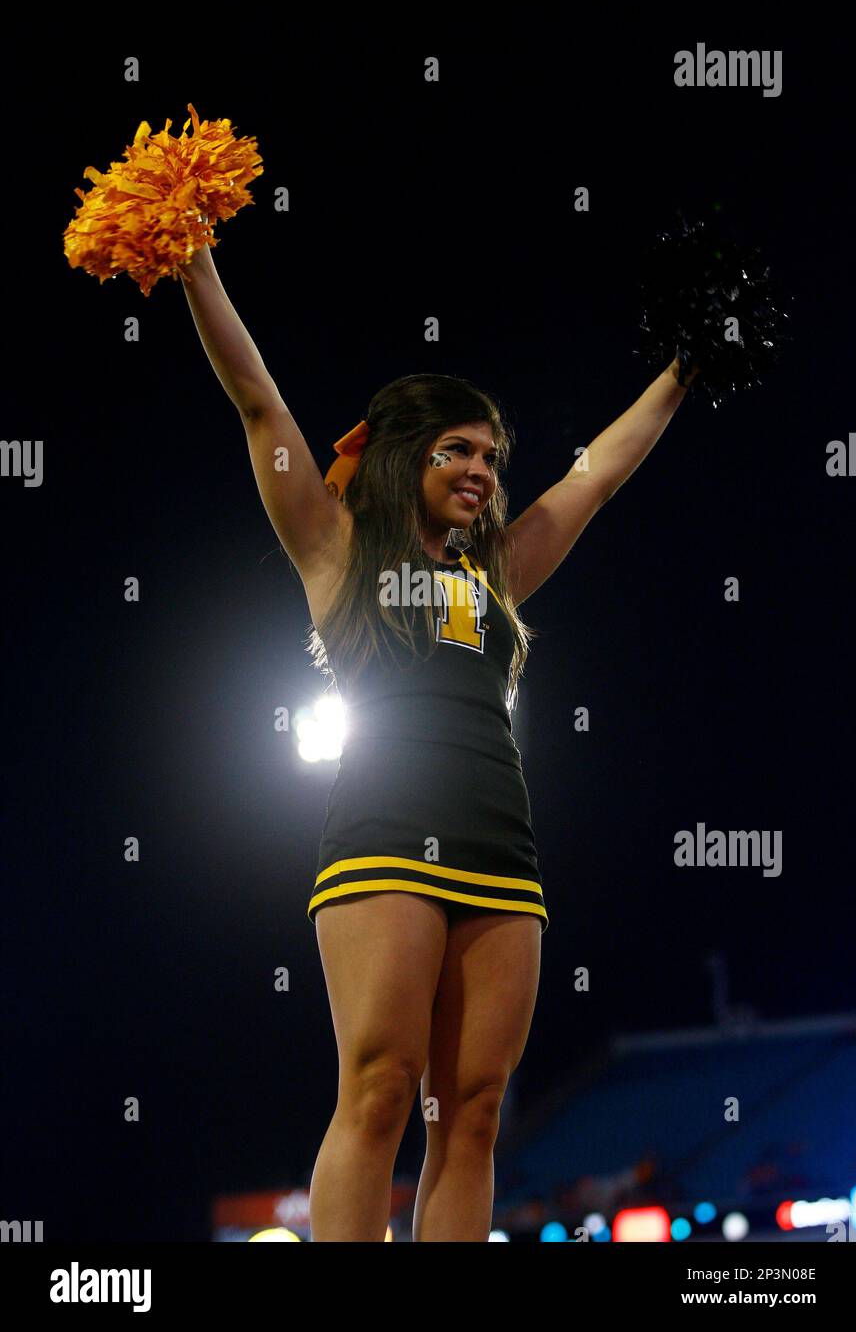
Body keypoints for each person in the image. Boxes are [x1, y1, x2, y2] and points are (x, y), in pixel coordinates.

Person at [180, 242, 699, 1241]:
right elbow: (257, 402)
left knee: (470, 1111)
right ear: (400, 456)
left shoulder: (497, 572)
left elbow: (595, 475)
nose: (479, 471)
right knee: (380, 1085)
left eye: (489, 456)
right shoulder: (332, 549)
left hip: (500, 848)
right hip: (381, 832)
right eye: (455, 449)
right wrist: (197, 263)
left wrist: (682, 371)